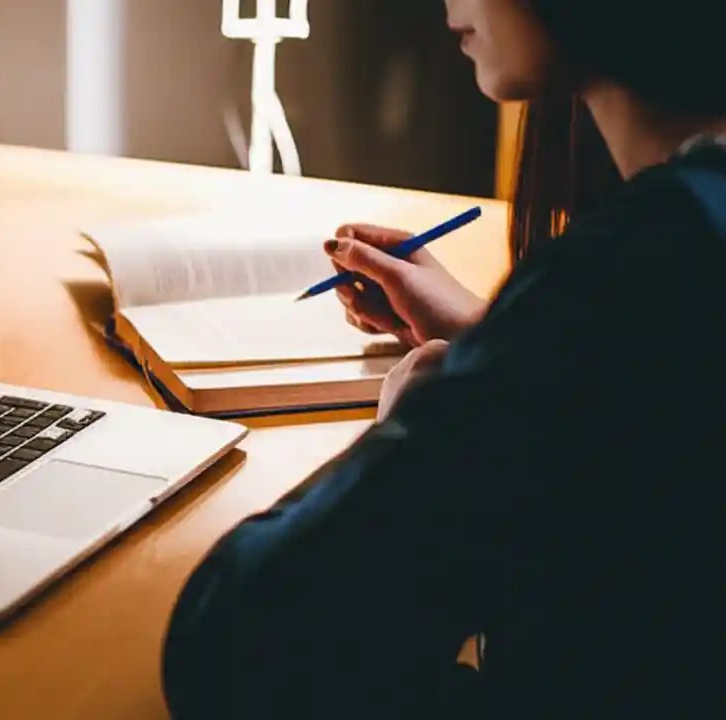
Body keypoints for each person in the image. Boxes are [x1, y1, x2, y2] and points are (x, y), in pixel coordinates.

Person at [161, 0, 726, 717]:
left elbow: (234, 646)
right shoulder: (672, 254)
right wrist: (499, 338)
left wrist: (416, 422)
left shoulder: (636, 275)